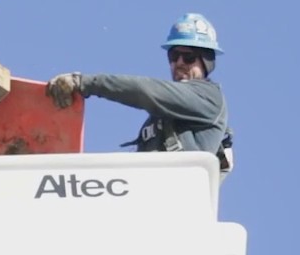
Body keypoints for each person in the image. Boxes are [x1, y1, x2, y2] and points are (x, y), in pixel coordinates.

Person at [45, 12, 234, 174]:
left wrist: (85, 83)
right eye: (174, 56)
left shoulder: (209, 98)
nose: (179, 63)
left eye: (188, 57)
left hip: (176, 199)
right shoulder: (163, 117)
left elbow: (144, 91)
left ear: (206, 61)